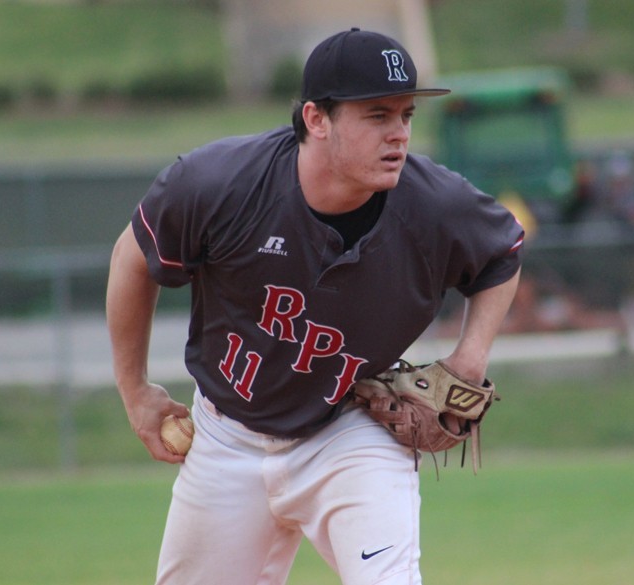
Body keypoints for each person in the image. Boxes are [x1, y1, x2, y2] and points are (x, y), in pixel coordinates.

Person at [106, 27, 523, 585]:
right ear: (316, 119)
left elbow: (502, 254)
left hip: (348, 431)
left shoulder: (434, 206)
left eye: (406, 115)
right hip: (226, 435)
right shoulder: (221, 184)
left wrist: (470, 358)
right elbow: (132, 257)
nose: (399, 134)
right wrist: (134, 390)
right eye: (377, 115)